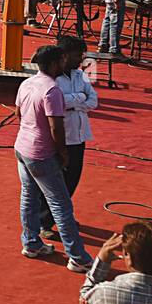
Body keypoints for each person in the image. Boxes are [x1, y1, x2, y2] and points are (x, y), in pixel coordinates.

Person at [13, 44, 93, 271]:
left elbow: (17, 112)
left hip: (22, 148)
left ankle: (31, 242)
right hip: (41, 154)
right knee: (61, 205)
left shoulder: (27, 83)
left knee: (29, 196)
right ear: (53, 63)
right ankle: (78, 257)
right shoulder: (52, 90)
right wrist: (63, 153)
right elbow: (56, 127)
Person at [36, 36, 97, 240]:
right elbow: (57, 104)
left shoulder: (81, 75)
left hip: (79, 135)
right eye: (77, 55)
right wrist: (79, 99)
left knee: (72, 179)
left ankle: (61, 216)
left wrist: (74, 101)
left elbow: (93, 101)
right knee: (53, 182)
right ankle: (44, 221)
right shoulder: (51, 79)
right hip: (60, 136)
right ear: (64, 56)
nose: (80, 59)